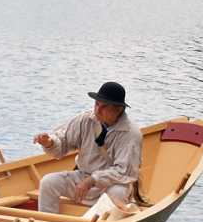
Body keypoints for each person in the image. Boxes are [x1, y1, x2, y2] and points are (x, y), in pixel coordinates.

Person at [33, 81, 142, 214]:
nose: (97, 110)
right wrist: (49, 143)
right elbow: (63, 142)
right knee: (48, 182)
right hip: (83, 177)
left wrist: (93, 180)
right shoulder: (86, 119)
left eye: (104, 107)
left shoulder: (131, 133)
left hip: (112, 184)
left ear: (118, 109)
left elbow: (124, 172)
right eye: (96, 104)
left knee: (117, 193)